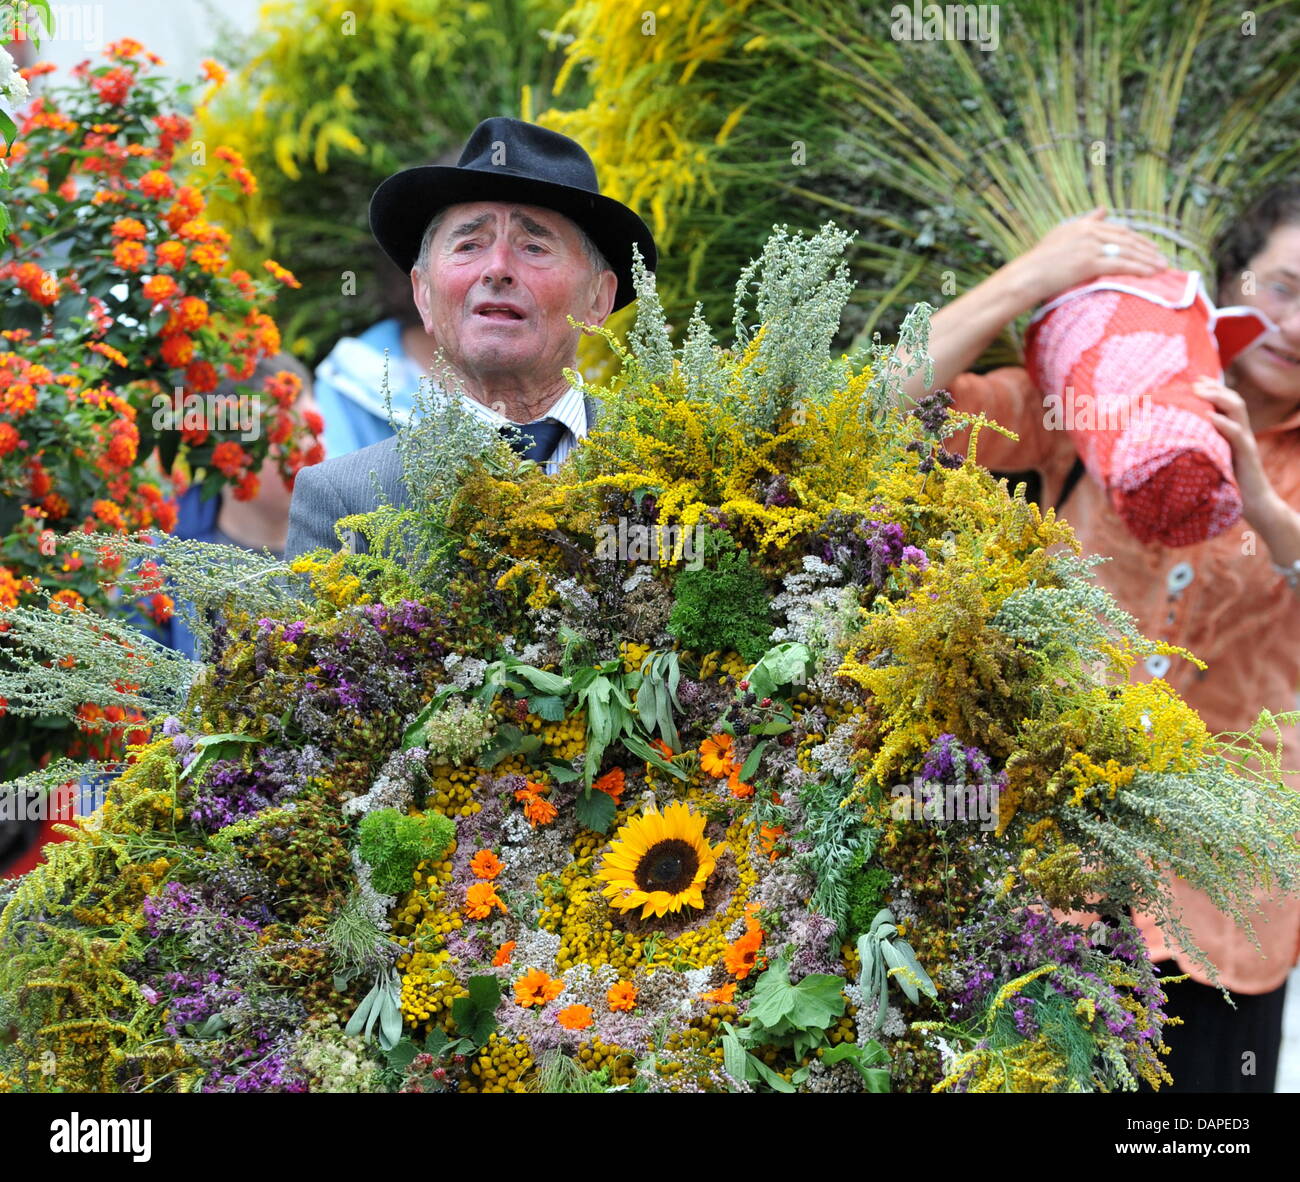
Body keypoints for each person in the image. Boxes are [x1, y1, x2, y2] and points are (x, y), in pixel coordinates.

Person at [909, 192, 1300, 1091]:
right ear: (1230, 279)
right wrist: (1032, 277)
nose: (1294, 322)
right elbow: (880, 409)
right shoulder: (1099, 391)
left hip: (1227, 888)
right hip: (1044, 855)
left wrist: (1267, 509)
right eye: (1281, 286)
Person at [285, 117, 657, 560]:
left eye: (534, 247)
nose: (496, 268)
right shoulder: (344, 503)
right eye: (469, 245)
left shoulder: (678, 463)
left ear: (599, 298)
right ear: (422, 293)